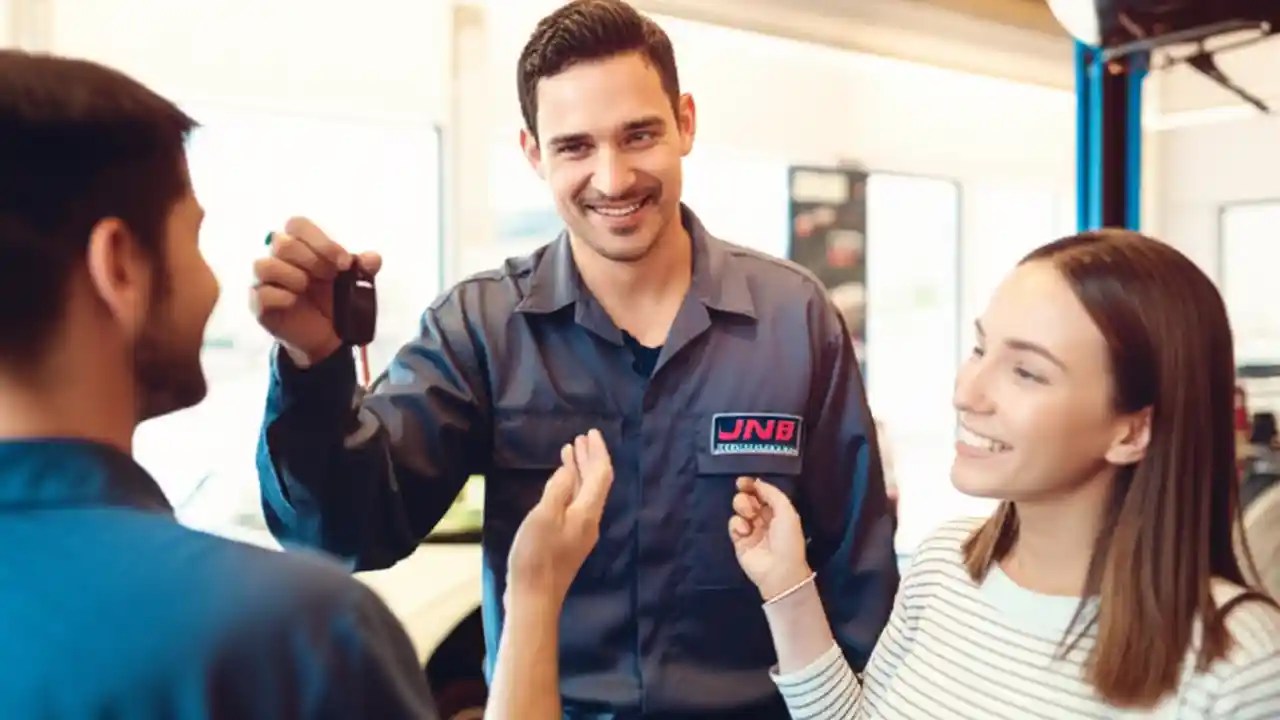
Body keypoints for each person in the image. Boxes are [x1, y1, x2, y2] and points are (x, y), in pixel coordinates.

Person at [250, 0, 899, 716]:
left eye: (639, 135)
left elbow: (861, 585)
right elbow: (345, 533)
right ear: (534, 153)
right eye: (575, 147)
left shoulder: (795, 321)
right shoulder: (482, 329)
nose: (614, 178)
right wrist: (313, 364)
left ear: (685, 122)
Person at [0, 49, 437, 719]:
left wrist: (315, 365)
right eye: (195, 237)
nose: (212, 284)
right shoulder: (293, 640)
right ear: (119, 266)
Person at [726, 229, 1280, 718]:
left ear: (1132, 432)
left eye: (1027, 373)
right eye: (980, 348)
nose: (966, 393)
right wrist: (787, 584)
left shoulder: (1239, 666)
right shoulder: (944, 566)